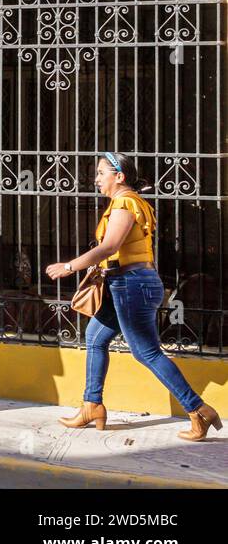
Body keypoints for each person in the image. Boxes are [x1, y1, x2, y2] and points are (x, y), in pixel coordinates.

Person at [47, 152, 221, 441]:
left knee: (146, 351)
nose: (96, 179)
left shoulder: (125, 203)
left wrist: (69, 267)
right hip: (128, 283)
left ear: (119, 177)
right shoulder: (131, 203)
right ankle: (92, 405)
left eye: (101, 173)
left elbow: (110, 246)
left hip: (131, 284)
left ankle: (198, 410)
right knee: (95, 337)